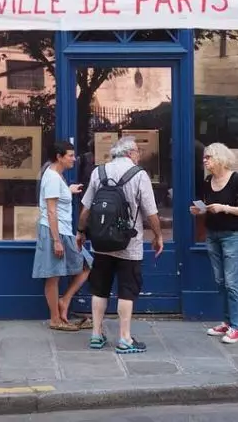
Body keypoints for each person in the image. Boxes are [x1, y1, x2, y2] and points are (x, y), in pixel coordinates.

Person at [76, 135, 162, 354]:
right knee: (127, 290)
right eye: (138, 153)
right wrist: (158, 236)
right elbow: (150, 212)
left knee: (100, 288)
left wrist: (81, 232)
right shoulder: (139, 175)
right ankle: (124, 339)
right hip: (129, 244)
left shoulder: (99, 172)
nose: (139, 156)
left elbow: (86, 208)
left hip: (101, 242)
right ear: (131, 152)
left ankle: (96, 334)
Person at [190, 142, 238, 345]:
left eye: (207, 157)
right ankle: (227, 322)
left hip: (233, 236)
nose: (204, 161)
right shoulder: (208, 181)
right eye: (204, 158)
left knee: (232, 282)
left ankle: (236, 327)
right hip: (213, 234)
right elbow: (207, 206)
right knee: (220, 281)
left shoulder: (237, 180)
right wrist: (199, 210)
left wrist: (224, 208)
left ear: (218, 158)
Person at [32, 141, 91, 331]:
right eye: (70, 155)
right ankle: (55, 319)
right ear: (59, 157)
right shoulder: (51, 178)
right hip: (54, 232)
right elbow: (51, 212)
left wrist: (69, 190)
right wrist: (56, 241)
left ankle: (64, 301)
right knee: (53, 276)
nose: (74, 159)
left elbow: (57, 201)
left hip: (63, 231)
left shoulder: (57, 177)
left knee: (86, 265)